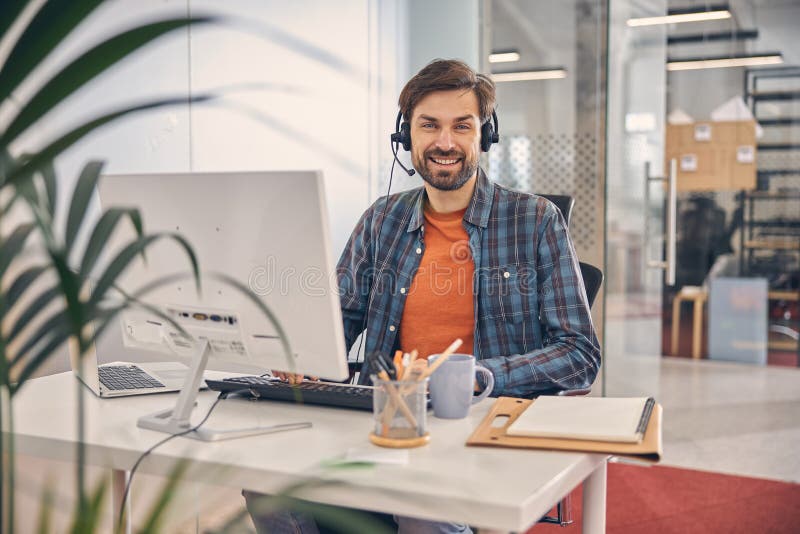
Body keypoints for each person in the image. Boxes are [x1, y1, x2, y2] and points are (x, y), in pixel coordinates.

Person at [256, 58, 600, 534]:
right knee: (264, 481)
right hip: (386, 423)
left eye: (462, 126)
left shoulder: (535, 221)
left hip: (480, 430)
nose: (445, 142)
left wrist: (479, 376)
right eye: (429, 126)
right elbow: (339, 319)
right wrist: (302, 351)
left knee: (421, 511)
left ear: (485, 135)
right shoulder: (382, 219)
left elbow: (580, 355)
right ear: (406, 137)